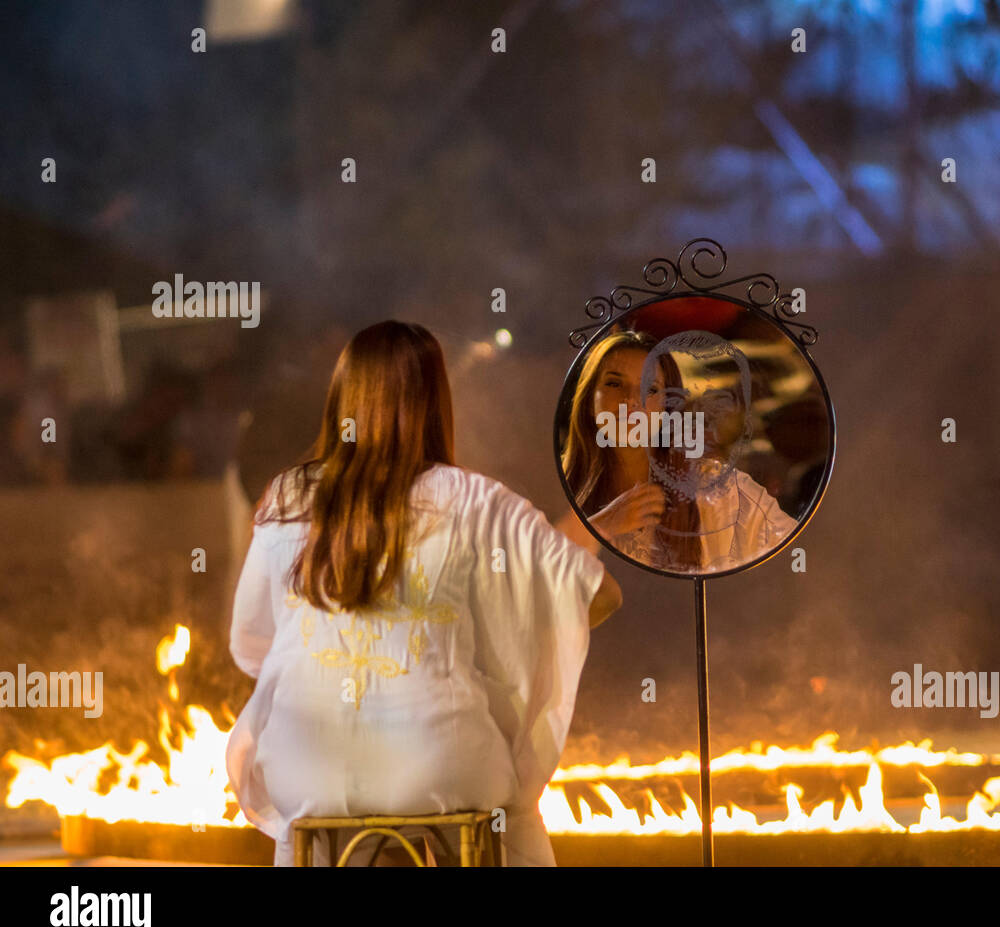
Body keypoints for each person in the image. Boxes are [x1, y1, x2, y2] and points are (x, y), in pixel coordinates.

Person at [225, 321, 622, 866]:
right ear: (436, 401)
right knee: (514, 812)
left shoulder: (287, 497)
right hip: (437, 762)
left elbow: (252, 646)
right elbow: (596, 596)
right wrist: (511, 633)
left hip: (304, 766)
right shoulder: (476, 501)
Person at [557, 329, 796, 573]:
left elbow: (793, 555)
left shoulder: (719, 492)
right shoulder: (553, 488)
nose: (630, 399)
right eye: (614, 383)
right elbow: (530, 575)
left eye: (650, 389)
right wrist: (602, 525)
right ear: (588, 400)